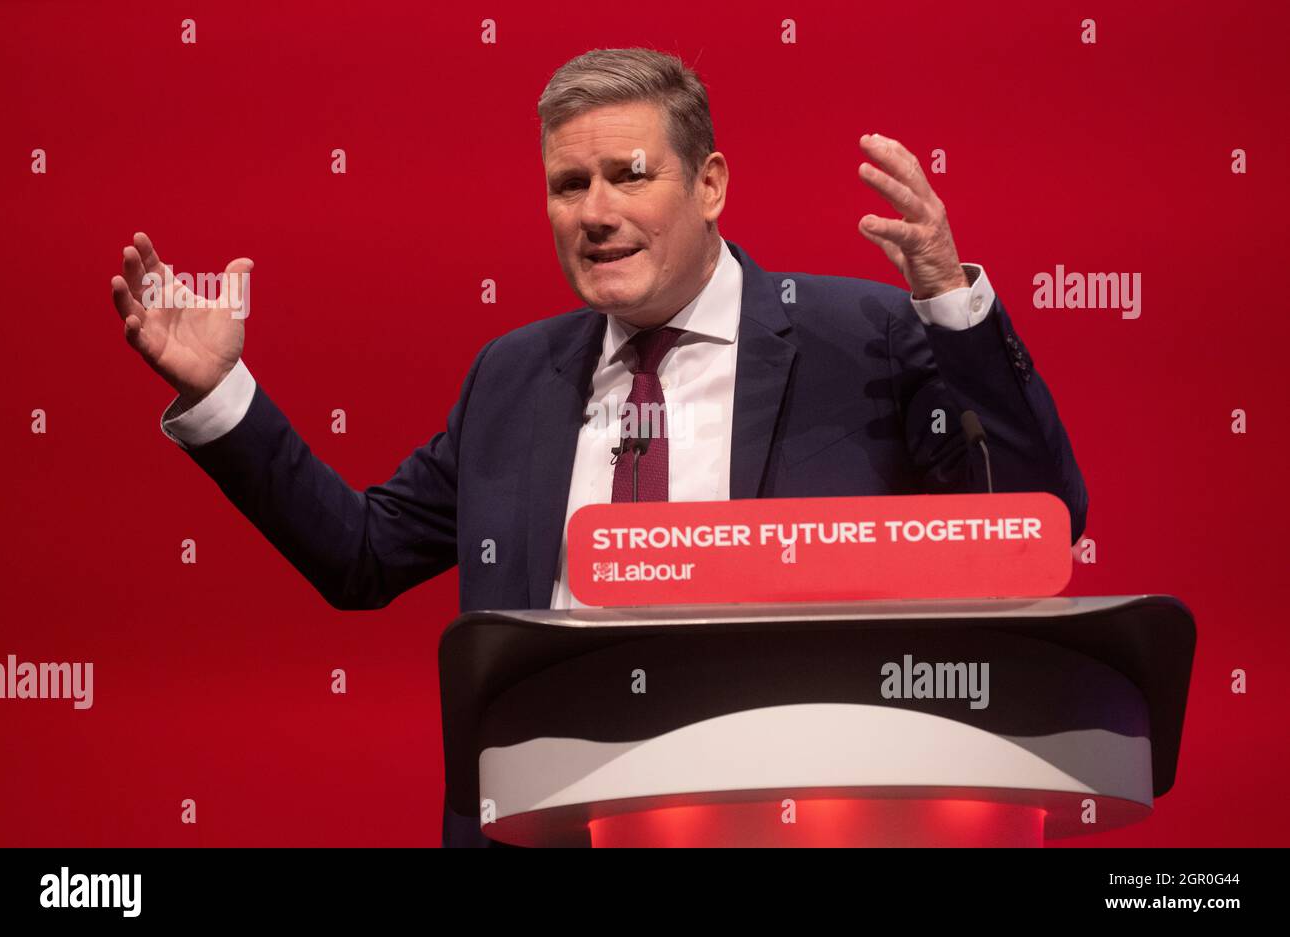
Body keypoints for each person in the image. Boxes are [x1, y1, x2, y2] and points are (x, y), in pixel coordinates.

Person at [109, 48, 1087, 847]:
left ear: (709, 184)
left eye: (629, 175)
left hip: (784, 820)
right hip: (543, 826)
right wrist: (220, 393)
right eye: (568, 184)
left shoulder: (860, 336)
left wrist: (950, 301)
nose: (595, 212)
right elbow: (359, 556)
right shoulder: (513, 376)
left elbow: (1038, 518)